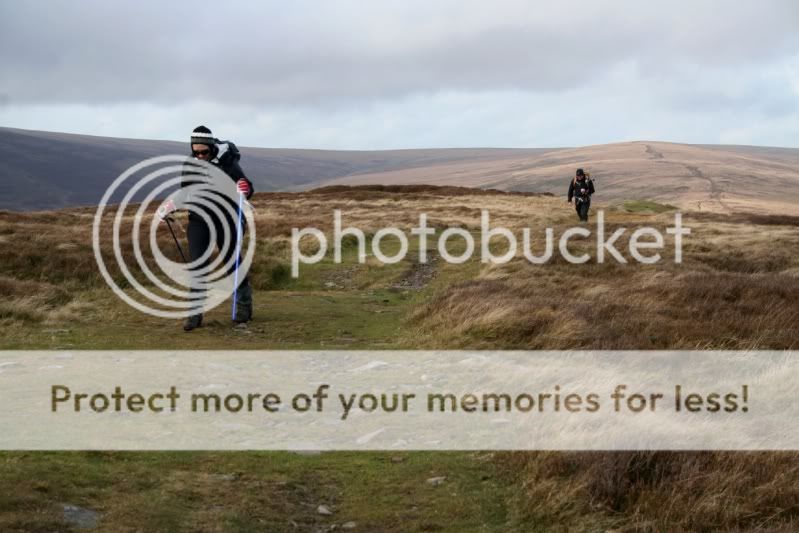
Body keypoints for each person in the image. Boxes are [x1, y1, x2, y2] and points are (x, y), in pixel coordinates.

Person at [160, 125, 255, 331]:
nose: (200, 155)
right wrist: (170, 206)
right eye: (196, 152)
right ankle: (195, 314)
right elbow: (184, 192)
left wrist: (244, 189)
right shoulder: (190, 165)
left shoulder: (227, 163)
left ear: (212, 147)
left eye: (204, 151)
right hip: (199, 220)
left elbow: (245, 185)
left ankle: (244, 306)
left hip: (226, 218)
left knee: (233, 264)